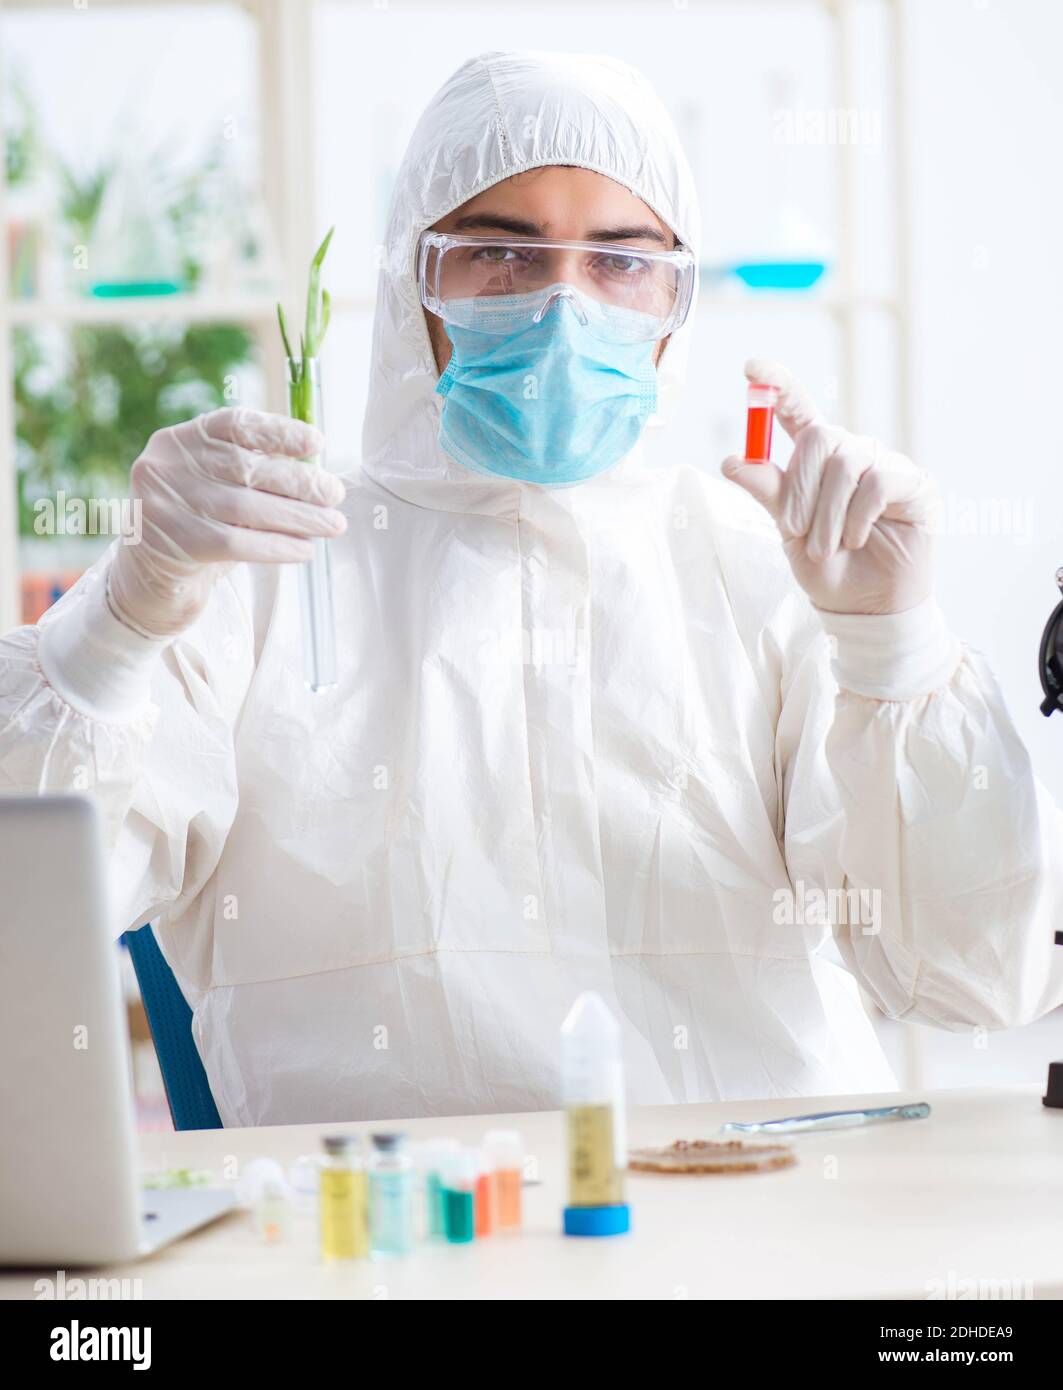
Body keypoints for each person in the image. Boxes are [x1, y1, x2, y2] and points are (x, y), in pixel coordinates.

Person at [2, 51, 1061, 1126]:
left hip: (764, 1219)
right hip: (384, 1246)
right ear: (414, 279)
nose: (561, 306)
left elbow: (974, 980)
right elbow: (24, 931)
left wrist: (894, 646)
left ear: (674, 302)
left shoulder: (761, 566)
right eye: (500, 255)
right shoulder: (262, 569)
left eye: (619, 261)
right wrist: (118, 626)